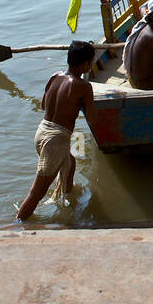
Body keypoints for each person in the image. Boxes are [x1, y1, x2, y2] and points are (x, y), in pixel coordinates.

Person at [17, 40, 99, 221]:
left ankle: (68, 198)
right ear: (86, 64)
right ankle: (19, 222)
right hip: (55, 140)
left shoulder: (55, 77)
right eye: (91, 62)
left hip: (41, 132)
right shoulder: (84, 86)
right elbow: (92, 119)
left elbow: (43, 104)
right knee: (37, 192)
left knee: (70, 163)